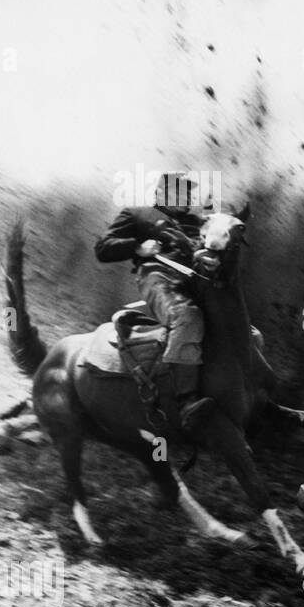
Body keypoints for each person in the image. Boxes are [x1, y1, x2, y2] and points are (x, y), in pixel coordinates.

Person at [94, 172, 216, 430]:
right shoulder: (137, 214)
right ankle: (186, 402)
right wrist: (138, 247)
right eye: (179, 192)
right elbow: (103, 248)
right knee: (186, 316)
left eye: (188, 193)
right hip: (158, 278)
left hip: (197, 282)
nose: (186, 197)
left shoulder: (199, 223)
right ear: (160, 194)